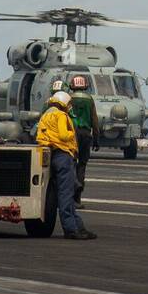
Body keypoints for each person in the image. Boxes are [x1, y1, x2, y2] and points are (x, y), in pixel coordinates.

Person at [35, 91, 95, 240]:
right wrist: (72, 133)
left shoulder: (46, 115)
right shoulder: (61, 115)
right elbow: (63, 135)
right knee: (66, 193)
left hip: (49, 154)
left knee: (63, 192)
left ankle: (78, 227)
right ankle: (71, 229)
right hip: (63, 154)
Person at [67, 74, 100, 206]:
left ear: (72, 86)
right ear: (85, 86)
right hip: (86, 134)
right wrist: (96, 139)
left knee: (71, 163)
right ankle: (77, 197)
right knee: (82, 165)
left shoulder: (68, 99)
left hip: (72, 134)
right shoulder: (89, 99)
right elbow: (95, 121)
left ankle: (72, 189)